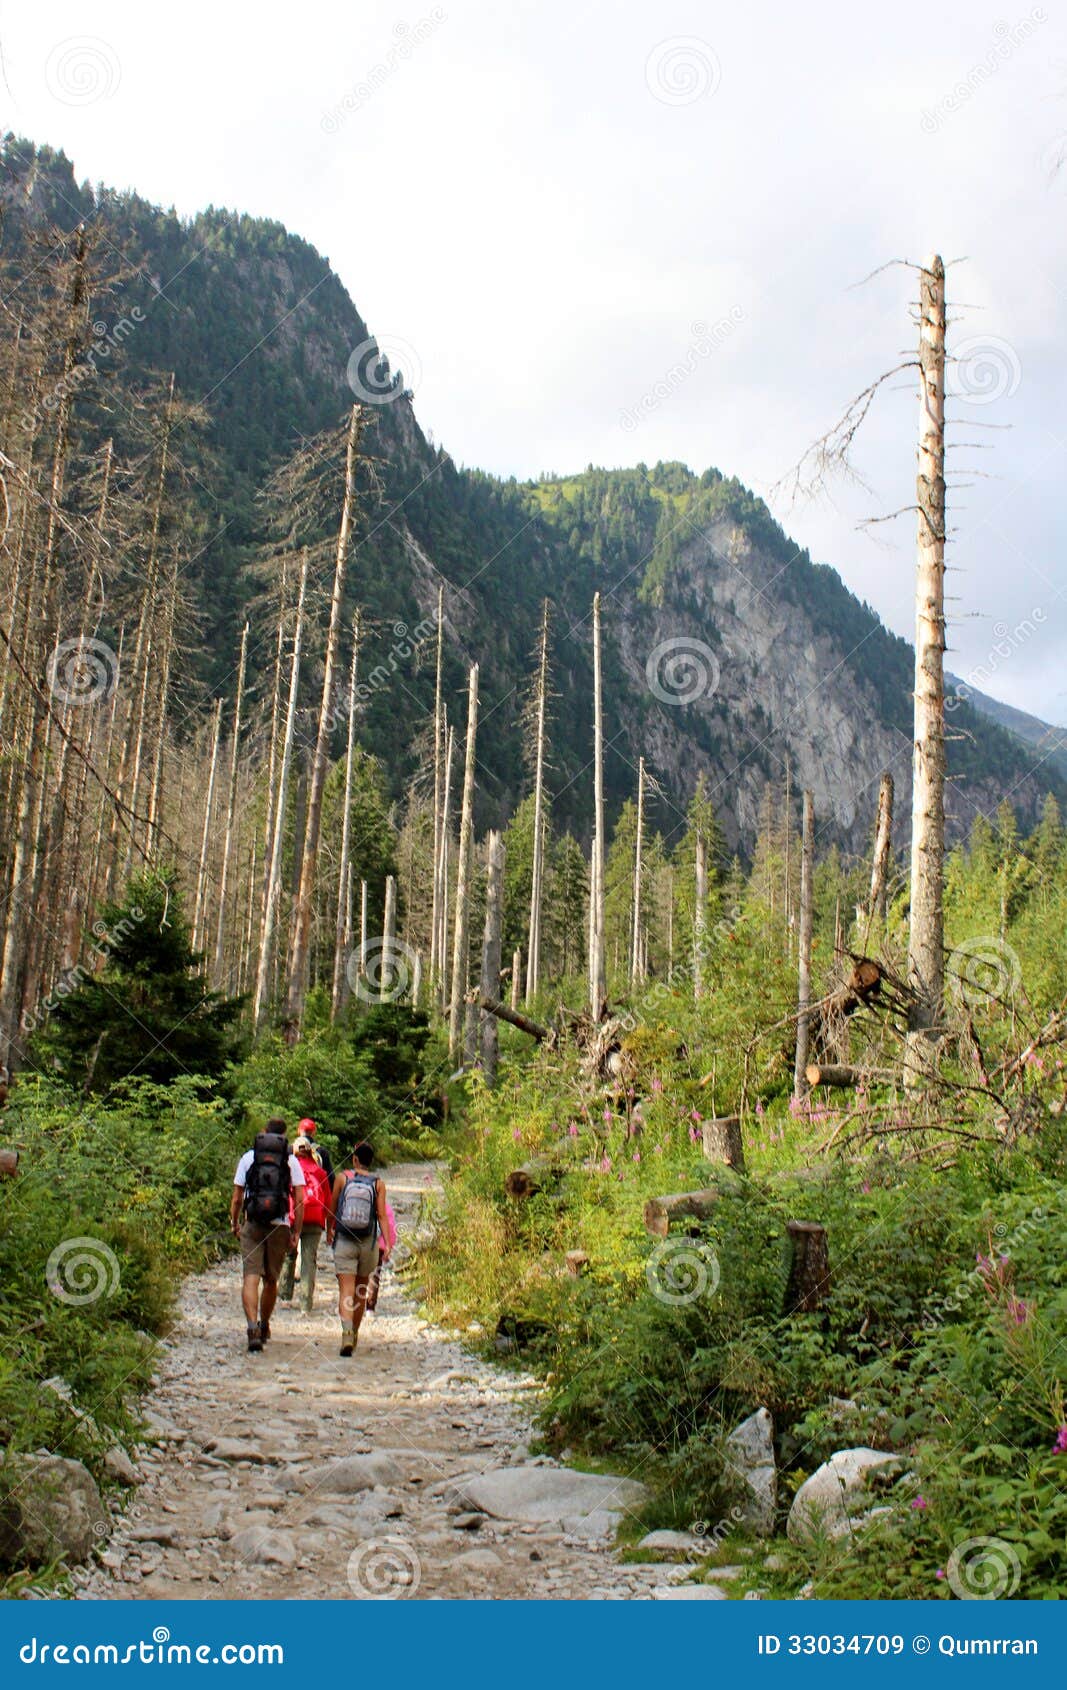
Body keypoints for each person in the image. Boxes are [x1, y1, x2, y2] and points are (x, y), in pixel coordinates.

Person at [231, 1119, 305, 1352]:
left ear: (264, 1134)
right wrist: (296, 1231)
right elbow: (301, 1199)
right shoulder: (290, 1160)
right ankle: (264, 1325)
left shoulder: (248, 1158)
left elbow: (237, 1197)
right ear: (284, 1137)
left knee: (250, 1277)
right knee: (271, 1279)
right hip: (279, 1225)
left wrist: (235, 1222)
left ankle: (252, 1327)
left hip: (252, 1223)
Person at [327, 1143, 391, 1356]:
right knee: (361, 1291)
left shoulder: (342, 1178)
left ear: (354, 1159)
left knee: (345, 1289)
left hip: (345, 1240)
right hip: (368, 1243)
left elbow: (332, 1208)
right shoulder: (378, 1184)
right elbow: (382, 1215)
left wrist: (329, 1231)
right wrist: (388, 1243)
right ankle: (354, 1334)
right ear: (371, 1161)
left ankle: (345, 1333)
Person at [278, 1135, 332, 1313]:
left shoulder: (290, 1169)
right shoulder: (320, 1172)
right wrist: (329, 1226)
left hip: (294, 1218)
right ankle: (305, 1305)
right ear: (311, 1152)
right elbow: (329, 1202)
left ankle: (285, 1297)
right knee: (309, 1261)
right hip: (315, 1219)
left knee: (289, 1256)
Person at [365, 1193, 397, 1313]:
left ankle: (355, 1303)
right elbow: (392, 1230)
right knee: (374, 1276)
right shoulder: (386, 1208)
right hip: (379, 1247)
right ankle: (370, 1308)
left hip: (362, 1244)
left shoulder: (361, 1207)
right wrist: (389, 1246)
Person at [297, 1117, 334, 1182]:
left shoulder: (291, 1149)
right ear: (314, 1132)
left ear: (298, 1131)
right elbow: (330, 1177)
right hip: (316, 1189)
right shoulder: (322, 1151)